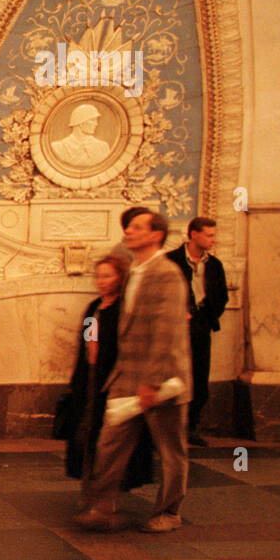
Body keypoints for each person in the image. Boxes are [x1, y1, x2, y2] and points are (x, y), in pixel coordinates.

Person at [76, 211, 192, 533]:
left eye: (137, 227)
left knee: (172, 452)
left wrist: (151, 382)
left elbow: (166, 329)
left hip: (163, 380)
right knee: (109, 443)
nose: (129, 231)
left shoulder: (166, 273)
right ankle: (101, 507)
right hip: (126, 378)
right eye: (128, 227)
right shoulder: (135, 273)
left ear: (156, 235)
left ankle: (169, 512)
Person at [53, 253, 153, 509]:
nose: (102, 281)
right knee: (85, 438)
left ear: (121, 277)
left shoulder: (124, 310)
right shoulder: (94, 308)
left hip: (113, 382)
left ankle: (106, 497)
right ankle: (89, 490)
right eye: (99, 276)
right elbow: (85, 345)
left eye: (108, 276)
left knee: (109, 442)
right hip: (89, 381)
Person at [165, 217, 228, 446]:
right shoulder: (171, 260)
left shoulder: (214, 265)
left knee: (199, 376)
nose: (213, 239)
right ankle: (169, 427)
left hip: (201, 323)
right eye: (209, 235)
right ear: (193, 234)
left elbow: (221, 295)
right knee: (174, 374)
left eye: (213, 235)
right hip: (176, 325)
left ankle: (191, 427)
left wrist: (208, 316)